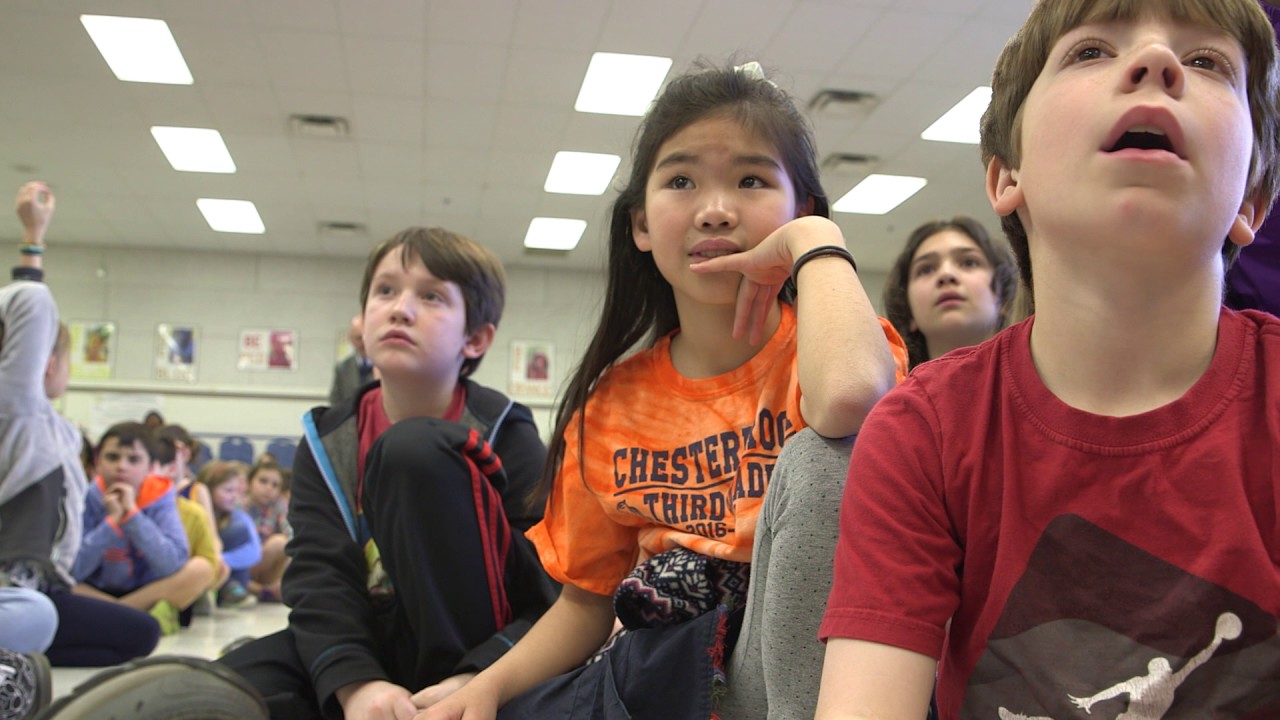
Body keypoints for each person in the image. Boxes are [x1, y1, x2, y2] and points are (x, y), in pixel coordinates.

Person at [816, 1, 1280, 718]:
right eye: (1090, 51)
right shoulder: (925, 434)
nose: (1154, 63)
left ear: (1253, 197)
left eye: (1207, 61)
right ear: (1008, 177)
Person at [422, 62, 906, 720]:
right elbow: (586, 604)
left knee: (827, 456)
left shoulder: (840, 351)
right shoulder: (611, 407)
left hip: (817, 673)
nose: (715, 208)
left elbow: (849, 400)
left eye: (752, 180)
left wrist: (817, 243)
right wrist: (487, 688)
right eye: (681, 180)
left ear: (802, 209)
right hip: (665, 672)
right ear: (641, 226)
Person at [220, 226, 558, 720]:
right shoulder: (327, 438)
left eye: (432, 296)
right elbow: (320, 575)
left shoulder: (507, 433)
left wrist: (479, 677)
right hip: (371, 645)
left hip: (481, 659)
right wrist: (356, 685)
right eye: (386, 291)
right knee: (231, 688)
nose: (401, 308)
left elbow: (550, 587)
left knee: (412, 449)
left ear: (476, 338)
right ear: (361, 322)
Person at [1, 183, 160, 667]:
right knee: (38, 618)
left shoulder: (44, 426)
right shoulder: (16, 413)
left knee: (138, 635)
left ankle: (18, 660)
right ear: (43, 364)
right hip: (14, 591)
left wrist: (34, 235)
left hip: (44, 588)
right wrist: (35, 236)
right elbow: (29, 304)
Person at [73, 422, 214, 633]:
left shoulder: (161, 497)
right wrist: (111, 524)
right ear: (97, 461)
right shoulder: (86, 497)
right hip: (95, 591)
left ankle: (117, 614)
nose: (122, 466)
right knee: (57, 581)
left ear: (150, 467)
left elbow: (172, 564)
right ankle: (129, 618)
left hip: (148, 593)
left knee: (201, 568)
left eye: (134, 459)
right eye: (112, 457)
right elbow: (74, 569)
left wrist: (132, 517)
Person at [883, 217, 1018, 370]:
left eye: (969, 262)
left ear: (1004, 295)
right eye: (926, 269)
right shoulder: (887, 392)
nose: (946, 274)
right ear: (907, 310)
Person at [198, 461, 261, 609]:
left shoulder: (238, 517)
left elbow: (255, 552)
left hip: (226, 571)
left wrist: (220, 560)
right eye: (228, 490)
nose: (234, 497)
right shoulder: (196, 513)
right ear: (208, 489)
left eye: (238, 492)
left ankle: (230, 590)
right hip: (205, 568)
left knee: (239, 530)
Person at [242, 459, 291, 601]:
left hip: (266, 568)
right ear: (249, 482)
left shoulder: (279, 505)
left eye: (275, 485)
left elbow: (290, 533)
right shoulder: (239, 505)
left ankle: (268, 590)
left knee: (281, 543)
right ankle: (259, 590)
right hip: (244, 565)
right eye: (263, 481)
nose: (269, 488)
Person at [329, 314, 375, 405]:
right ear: (351, 339)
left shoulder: (384, 366)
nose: (363, 343)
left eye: (366, 338)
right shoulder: (342, 368)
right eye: (359, 338)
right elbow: (335, 400)